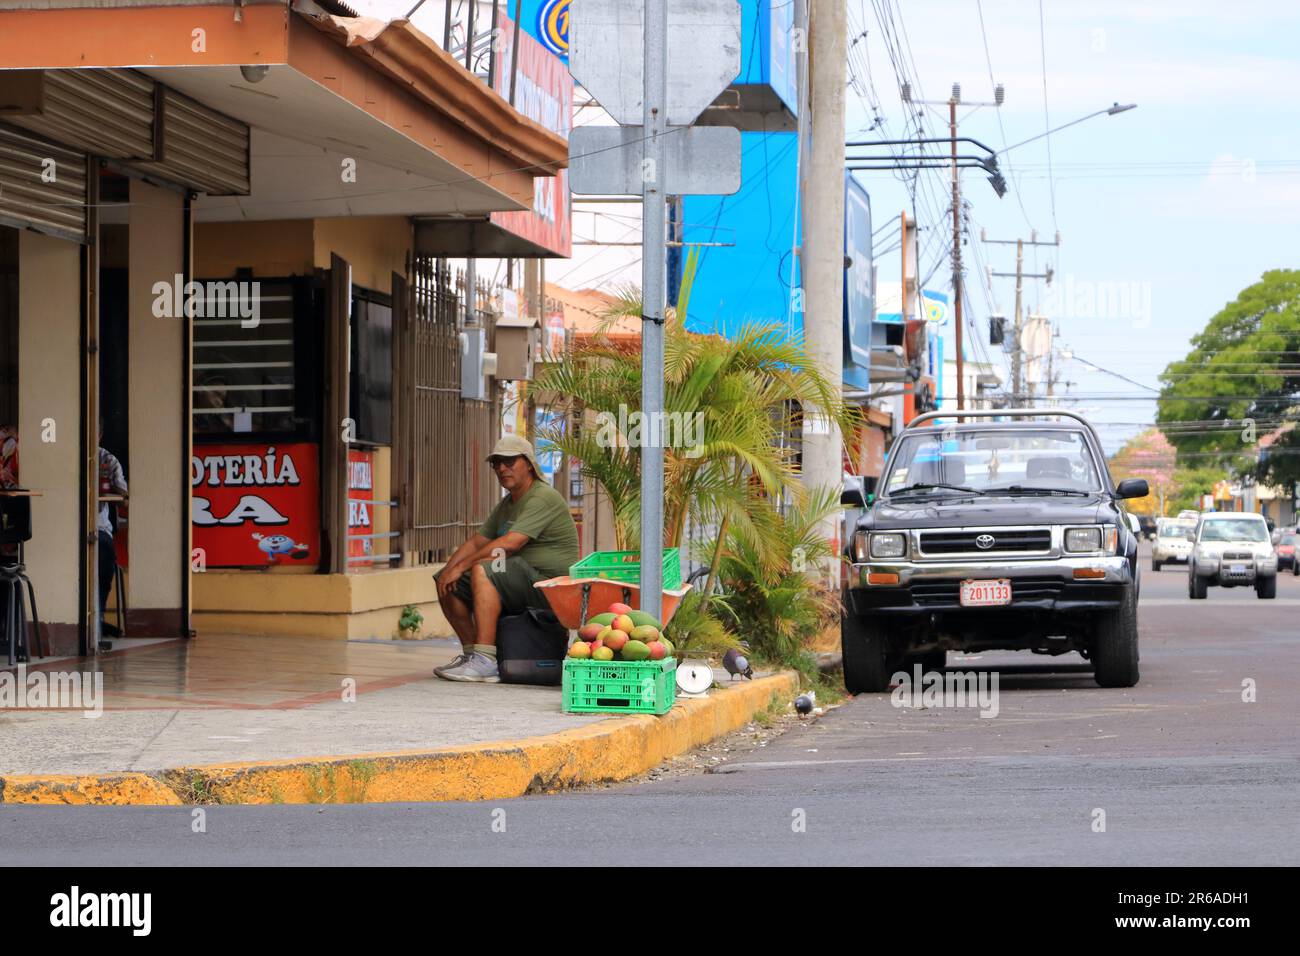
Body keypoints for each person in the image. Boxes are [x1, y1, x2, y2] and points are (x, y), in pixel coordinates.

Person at [432, 435, 578, 683]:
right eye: (497, 463)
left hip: (549, 586)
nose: (501, 468)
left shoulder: (542, 496)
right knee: (446, 582)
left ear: (529, 464)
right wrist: (450, 570)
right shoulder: (507, 504)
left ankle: (486, 659)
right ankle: (473, 656)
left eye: (509, 461)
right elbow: (477, 542)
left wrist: (463, 567)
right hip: (521, 578)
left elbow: (511, 543)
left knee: (483, 569)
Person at [98, 441, 128, 638]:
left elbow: (124, 494)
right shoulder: (65, 454)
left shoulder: (107, 459)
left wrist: (108, 484)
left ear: (99, 434)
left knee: (104, 555)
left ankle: (97, 617)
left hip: (98, 526)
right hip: (66, 528)